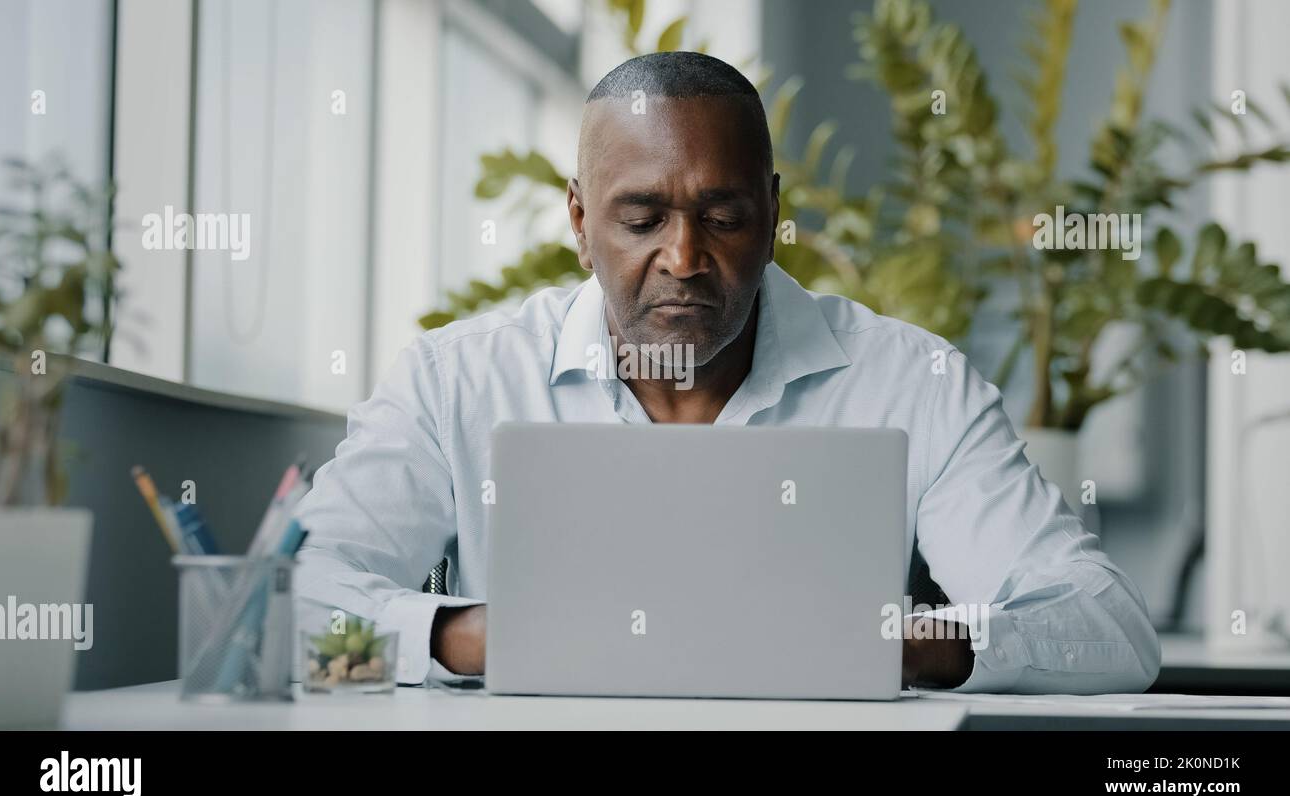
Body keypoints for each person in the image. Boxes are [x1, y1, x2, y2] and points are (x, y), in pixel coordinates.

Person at [294, 51, 1160, 694]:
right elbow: (293, 600)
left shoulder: (913, 381)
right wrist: (473, 637)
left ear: (774, 212)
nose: (684, 257)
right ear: (579, 218)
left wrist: (901, 641)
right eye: (641, 219)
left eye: (725, 216)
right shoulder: (457, 380)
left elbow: (1110, 629)